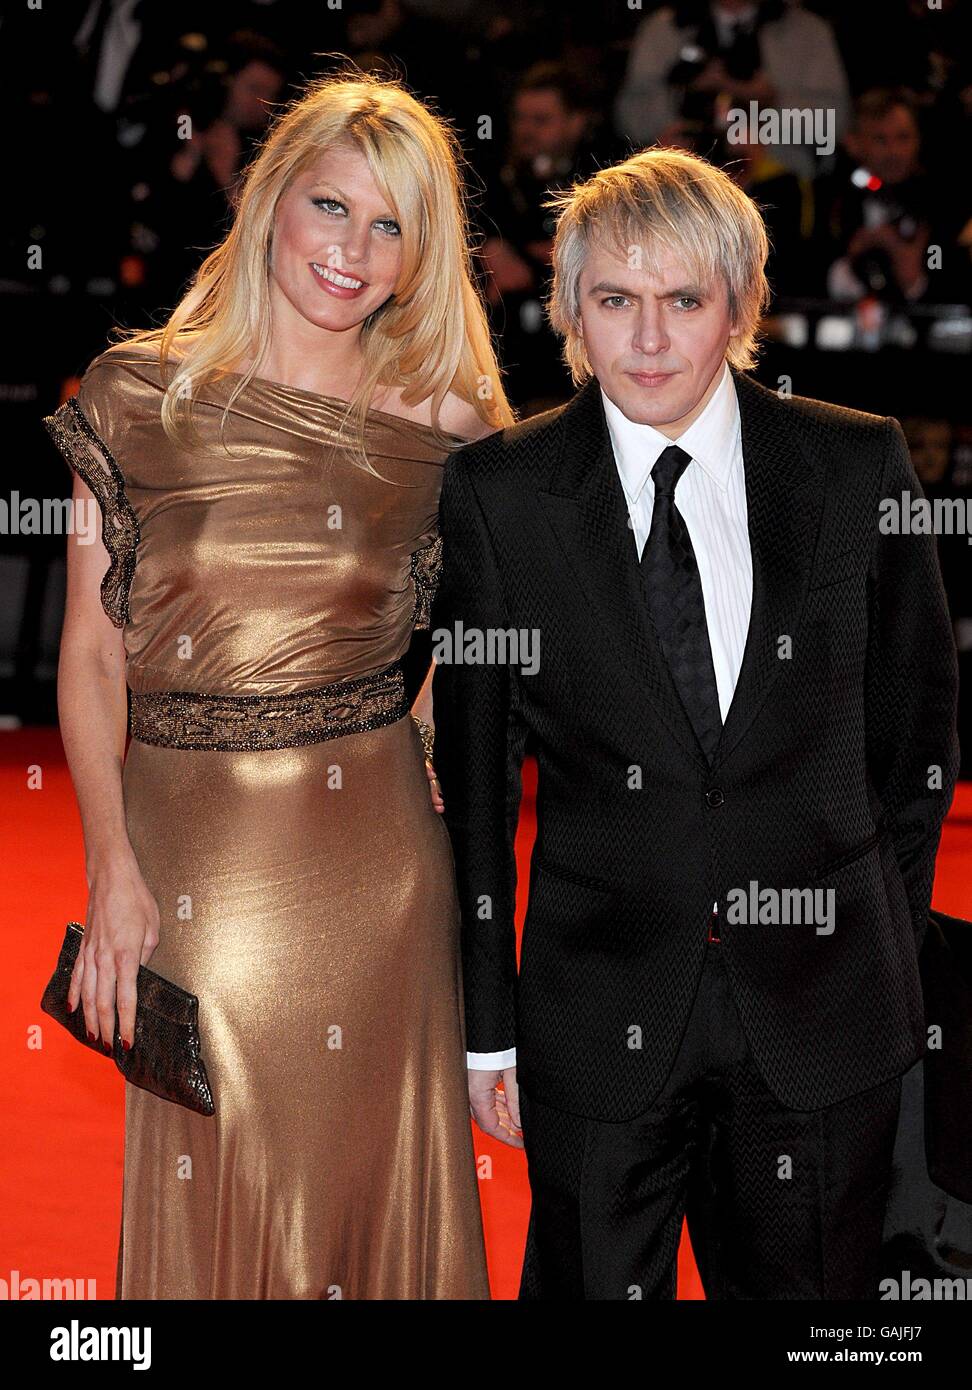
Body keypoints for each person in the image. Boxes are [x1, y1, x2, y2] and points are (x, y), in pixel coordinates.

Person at [430, 147, 961, 1298]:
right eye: (615, 299)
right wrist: (488, 1029)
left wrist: (877, 949)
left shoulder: (854, 464)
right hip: (596, 1013)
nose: (649, 338)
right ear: (570, 310)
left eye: (683, 299)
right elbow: (474, 789)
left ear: (741, 306)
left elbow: (917, 742)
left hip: (823, 1018)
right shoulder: (500, 495)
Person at [43, 70, 513, 1300]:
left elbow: (516, 611)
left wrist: (429, 723)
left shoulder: (443, 417)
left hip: (379, 867)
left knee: (367, 1185)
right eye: (331, 206)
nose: (353, 250)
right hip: (188, 858)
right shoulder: (135, 394)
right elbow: (91, 654)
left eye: (391, 224)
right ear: (270, 201)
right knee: (222, 1180)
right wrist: (110, 867)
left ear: (421, 255)